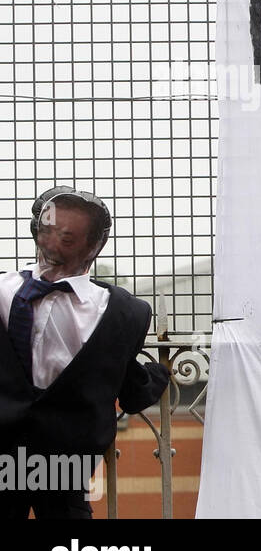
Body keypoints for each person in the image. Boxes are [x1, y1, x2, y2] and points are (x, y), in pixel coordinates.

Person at [0, 186, 169, 518]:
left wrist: (157, 375)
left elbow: (128, 385)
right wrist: (157, 376)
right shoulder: (4, 293)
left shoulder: (122, 312)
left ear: (96, 246)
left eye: (67, 238)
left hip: (66, 465)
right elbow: (132, 389)